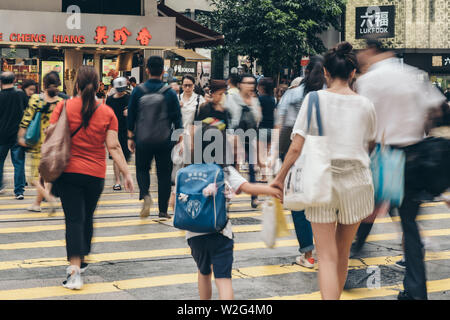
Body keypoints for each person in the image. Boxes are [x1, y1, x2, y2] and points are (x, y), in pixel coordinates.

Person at [271, 42, 377, 300]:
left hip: (321, 182)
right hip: (357, 182)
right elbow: (372, 143)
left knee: (326, 256)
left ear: (326, 73)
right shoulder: (365, 104)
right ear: (353, 73)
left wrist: (279, 178)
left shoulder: (314, 99)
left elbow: (296, 148)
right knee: (342, 254)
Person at [356, 39, 446, 300]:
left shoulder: (368, 81)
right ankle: (416, 292)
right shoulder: (415, 75)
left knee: (365, 207)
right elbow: (438, 108)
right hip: (416, 155)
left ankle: (347, 254)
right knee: (408, 223)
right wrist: (420, 126)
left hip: (386, 155)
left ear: (372, 51)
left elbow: (366, 124)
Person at [51, 65, 134, 290]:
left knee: (74, 220)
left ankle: (75, 271)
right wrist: (127, 174)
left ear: (75, 84)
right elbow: (114, 147)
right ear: (99, 85)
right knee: (87, 217)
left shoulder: (64, 106)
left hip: (68, 173)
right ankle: (83, 259)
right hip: (95, 175)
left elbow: (52, 137)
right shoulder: (107, 112)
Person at [185, 120, 282, 300]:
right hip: (220, 233)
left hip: (194, 234)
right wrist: (273, 189)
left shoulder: (187, 171)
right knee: (223, 280)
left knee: (203, 273)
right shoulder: (225, 171)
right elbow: (249, 188)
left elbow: (175, 203)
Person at [274, 56, 326, 269]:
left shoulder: (293, 94)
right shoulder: (329, 96)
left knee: (298, 204)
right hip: (322, 156)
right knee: (321, 204)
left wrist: (277, 161)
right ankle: (326, 251)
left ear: (306, 72)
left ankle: (308, 254)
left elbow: (281, 126)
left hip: (295, 157)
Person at [127, 56, 183, 220]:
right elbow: (177, 118)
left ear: (147, 70)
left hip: (143, 139)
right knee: (164, 174)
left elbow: (131, 115)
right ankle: (163, 210)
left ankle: (145, 195)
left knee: (142, 169)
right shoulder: (169, 92)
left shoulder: (138, 90)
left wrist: (130, 136)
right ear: (163, 72)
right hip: (164, 140)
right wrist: (177, 137)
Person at [18, 71, 63, 213]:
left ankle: (49, 199)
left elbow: (26, 119)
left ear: (43, 84)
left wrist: (20, 136)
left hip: (38, 144)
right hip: (54, 144)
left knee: (33, 178)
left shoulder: (36, 99)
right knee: (45, 176)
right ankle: (37, 204)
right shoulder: (61, 102)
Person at [226, 73, 262, 208]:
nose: (250, 86)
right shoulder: (231, 98)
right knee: (229, 168)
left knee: (252, 168)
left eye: (252, 83)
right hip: (233, 139)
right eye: (247, 83)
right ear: (240, 84)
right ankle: (227, 196)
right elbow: (227, 118)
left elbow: (258, 118)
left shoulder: (254, 100)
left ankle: (254, 198)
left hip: (249, 138)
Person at [0, 72, 28, 200]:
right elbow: (27, 111)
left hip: (1, 135)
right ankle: (19, 191)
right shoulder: (20, 95)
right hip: (18, 134)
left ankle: (1, 186)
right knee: (19, 163)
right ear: (15, 80)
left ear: (1, 81)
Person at [106, 77, 131, 191]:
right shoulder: (110, 100)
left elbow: (136, 113)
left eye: (122, 89)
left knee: (124, 156)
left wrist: (129, 112)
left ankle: (125, 177)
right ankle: (117, 181)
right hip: (113, 131)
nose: (121, 92)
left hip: (126, 131)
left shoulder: (129, 98)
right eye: (119, 89)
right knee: (116, 157)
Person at [256, 77, 276, 181]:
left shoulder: (260, 99)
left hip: (263, 128)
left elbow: (258, 115)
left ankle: (264, 176)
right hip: (272, 128)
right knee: (268, 153)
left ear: (262, 87)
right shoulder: (273, 99)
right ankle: (270, 171)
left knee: (260, 154)